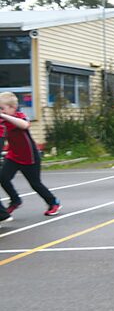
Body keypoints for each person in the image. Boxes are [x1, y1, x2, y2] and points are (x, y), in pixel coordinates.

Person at [0, 92, 61, 221]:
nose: (1, 112)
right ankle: (15, 200)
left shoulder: (19, 117)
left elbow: (25, 125)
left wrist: (3, 115)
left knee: (35, 183)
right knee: (3, 178)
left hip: (30, 156)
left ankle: (53, 202)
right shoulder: (3, 121)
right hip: (13, 155)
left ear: (12, 108)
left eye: (2, 108)